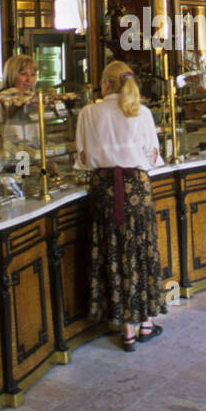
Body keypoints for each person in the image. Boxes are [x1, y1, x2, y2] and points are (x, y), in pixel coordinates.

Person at [75, 60, 165, 351]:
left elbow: (83, 161)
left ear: (104, 84)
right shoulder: (143, 113)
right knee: (140, 251)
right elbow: (152, 159)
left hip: (103, 191)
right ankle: (145, 324)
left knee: (113, 251)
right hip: (136, 189)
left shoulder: (89, 113)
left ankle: (125, 330)